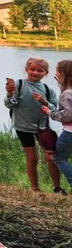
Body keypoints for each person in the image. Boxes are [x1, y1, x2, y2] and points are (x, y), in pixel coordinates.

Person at [5, 57, 62, 193]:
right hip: (22, 127)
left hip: (42, 129)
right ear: (27, 69)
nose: (35, 72)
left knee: (51, 158)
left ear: (46, 73)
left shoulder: (48, 90)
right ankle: (35, 189)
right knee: (32, 158)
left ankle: (57, 188)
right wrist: (9, 94)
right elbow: (10, 104)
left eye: (39, 70)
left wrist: (44, 102)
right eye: (32, 69)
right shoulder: (19, 85)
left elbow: (55, 110)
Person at [47, 60, 72, 190]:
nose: (56, 74)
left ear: (64, 73)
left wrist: (50, 113)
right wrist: (62, 85)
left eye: (58, 71)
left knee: (59, 158)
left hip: (69, 132)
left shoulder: (66, 93)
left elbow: (67, 115)